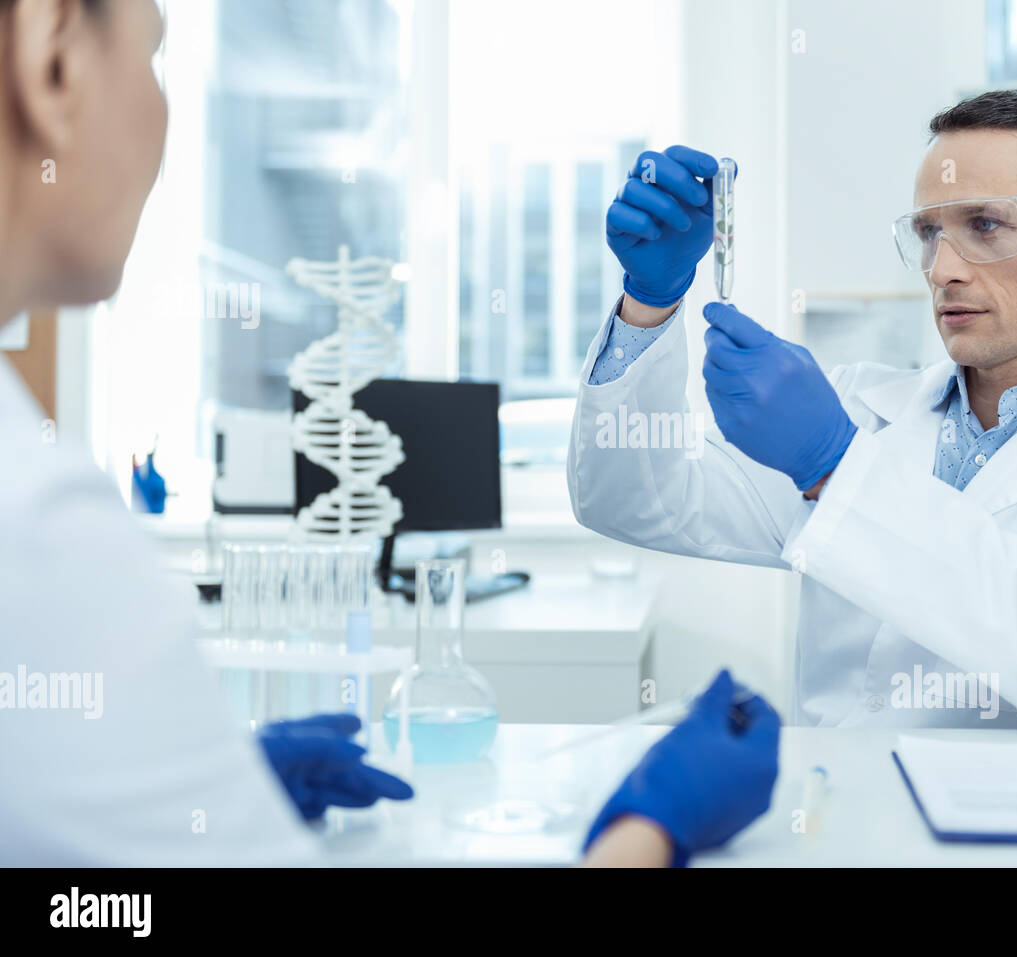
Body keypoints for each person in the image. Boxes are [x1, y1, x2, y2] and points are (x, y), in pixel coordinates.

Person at [0, 0, 778, 868]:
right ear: (51, 53)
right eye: (153, 56)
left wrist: (204, 799)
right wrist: (650, 833)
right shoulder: (33, 522)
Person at [569, 90, 1017, 734]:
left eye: (985, 224)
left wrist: (837, 467)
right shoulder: (856, 408)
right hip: (839, 827)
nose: (942, 267)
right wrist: (649, 305)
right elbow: (635, 501)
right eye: (928, 231)